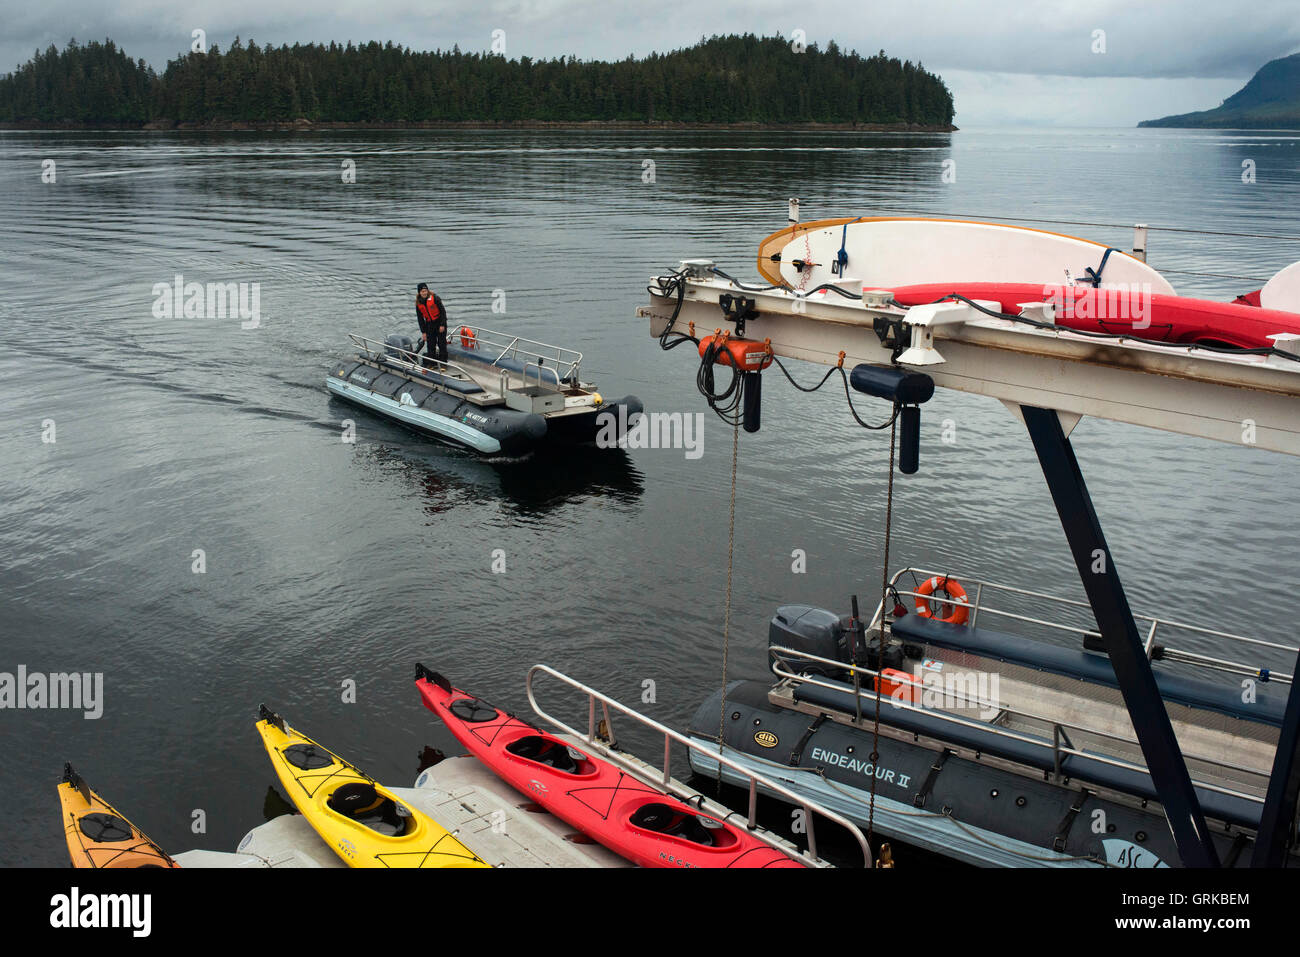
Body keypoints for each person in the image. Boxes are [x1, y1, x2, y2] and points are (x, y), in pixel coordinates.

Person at [415, 282, 448, 367]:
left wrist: (442, 324)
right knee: (430, 345)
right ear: (419, 292)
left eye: (425, 290)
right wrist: (423, 332)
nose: (424, 293)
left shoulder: (435, 298)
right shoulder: (418, 303)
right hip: (429, 324)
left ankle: (443, 363)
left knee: (441, 344)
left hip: (439, 322)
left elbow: (443, 312)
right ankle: (432, 363)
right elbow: (420, 319)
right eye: (422, 291)